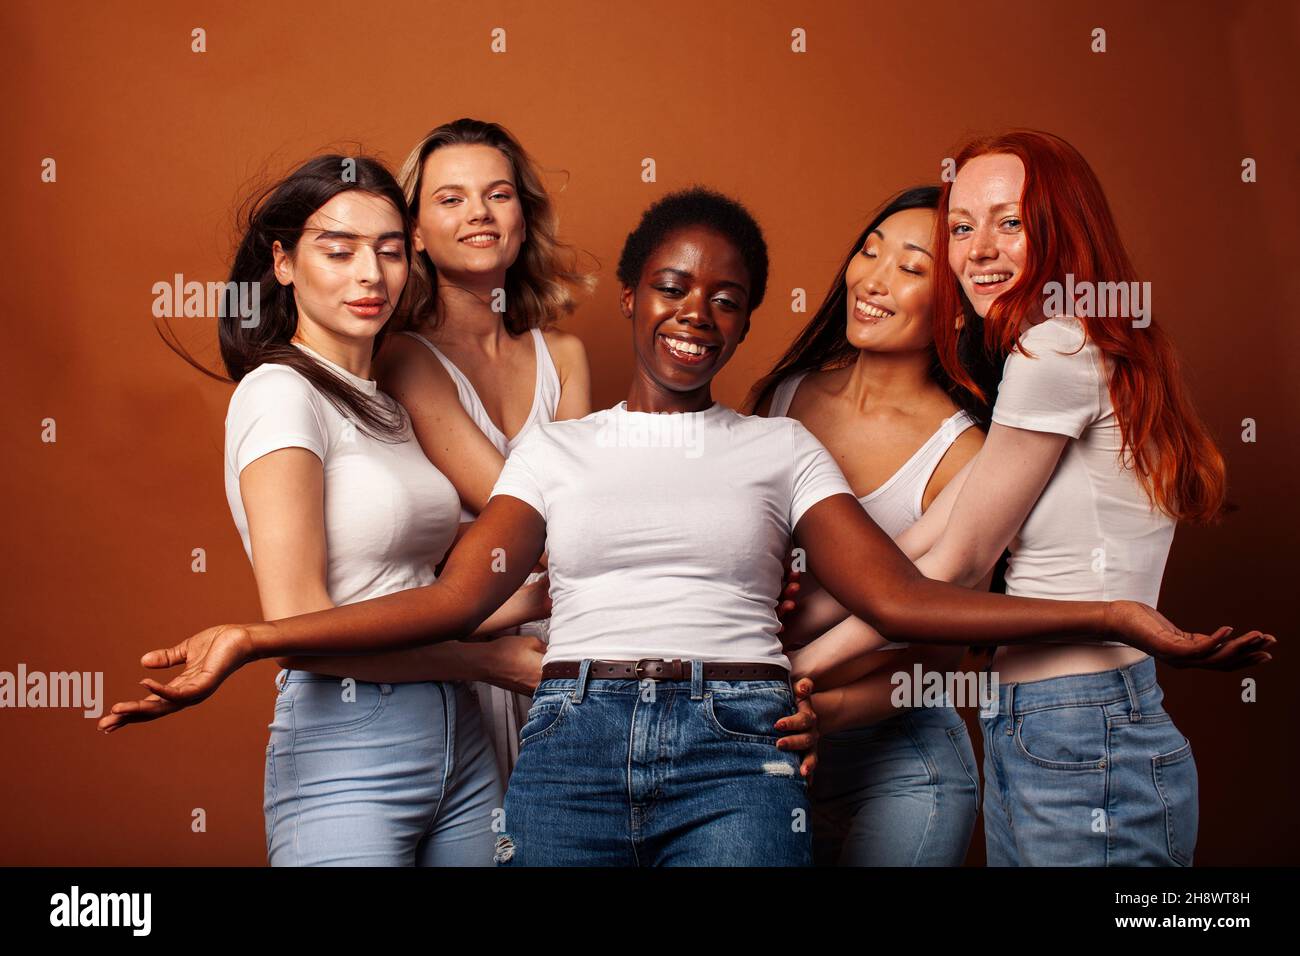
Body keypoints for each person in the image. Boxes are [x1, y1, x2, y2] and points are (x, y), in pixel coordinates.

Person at [104, 186, 1271, 869]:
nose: (693, 314)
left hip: (739, 745)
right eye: (670, 286)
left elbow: (906, 597)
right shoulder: (558, 452)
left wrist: (1120, 615)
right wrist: (254, 638)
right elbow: (464, 599)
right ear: (630, 294)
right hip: (567, 737)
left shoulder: (779, 445)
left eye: (723, 297)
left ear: (747, 317)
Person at [793, 129, 1271, 866]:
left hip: (1083, 725)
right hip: (1036, 723)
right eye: (961, 226)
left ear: (1062, 230)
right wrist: (775, 633)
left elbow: (955, 560)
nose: (978, 249)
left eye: (1009, 222)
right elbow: (918, 547)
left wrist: (789, 673)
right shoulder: (1066, 348)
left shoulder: (1054, 350)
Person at [158, 154, 548, 865]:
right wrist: (486, 662)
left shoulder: (388, 399)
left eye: (390, 250)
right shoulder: (279, 393)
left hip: (460, 746)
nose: (370, 274)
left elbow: (409, 599)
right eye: (338, 251)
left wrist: (544, 597)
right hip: (350, 749)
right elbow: (300, 628)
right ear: (282, 263)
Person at [750, 186, 991, 866]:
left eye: (911, 269)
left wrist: (826, 714)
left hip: (899, 763)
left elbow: (939, 657)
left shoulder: (961, 454)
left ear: (960, 313)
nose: (873, 279)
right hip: (764, 742)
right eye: (869, 250)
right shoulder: (786, 395)